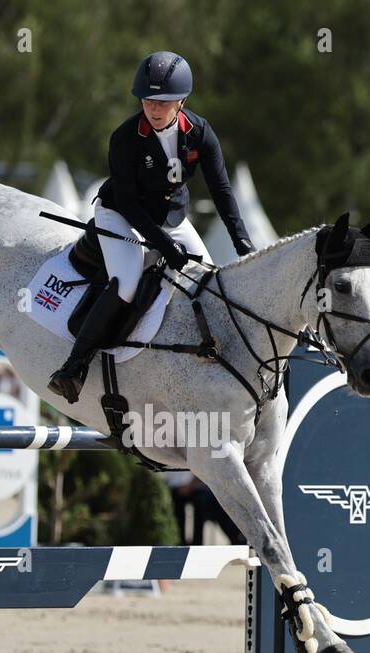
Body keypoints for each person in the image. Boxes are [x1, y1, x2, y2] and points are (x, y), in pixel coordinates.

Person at [48, 51, 255, 403]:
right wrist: (165, 246)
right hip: (119, 214)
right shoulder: (125, 137)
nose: (154, 109)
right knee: (127, 282)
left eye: (163, 102)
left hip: (169, 217)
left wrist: (242, 242)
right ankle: (73, 367)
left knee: (208, 283)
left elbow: (221, 190)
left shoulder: (201, 133)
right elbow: (129, 203)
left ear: (182, 101)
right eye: (147, 100)